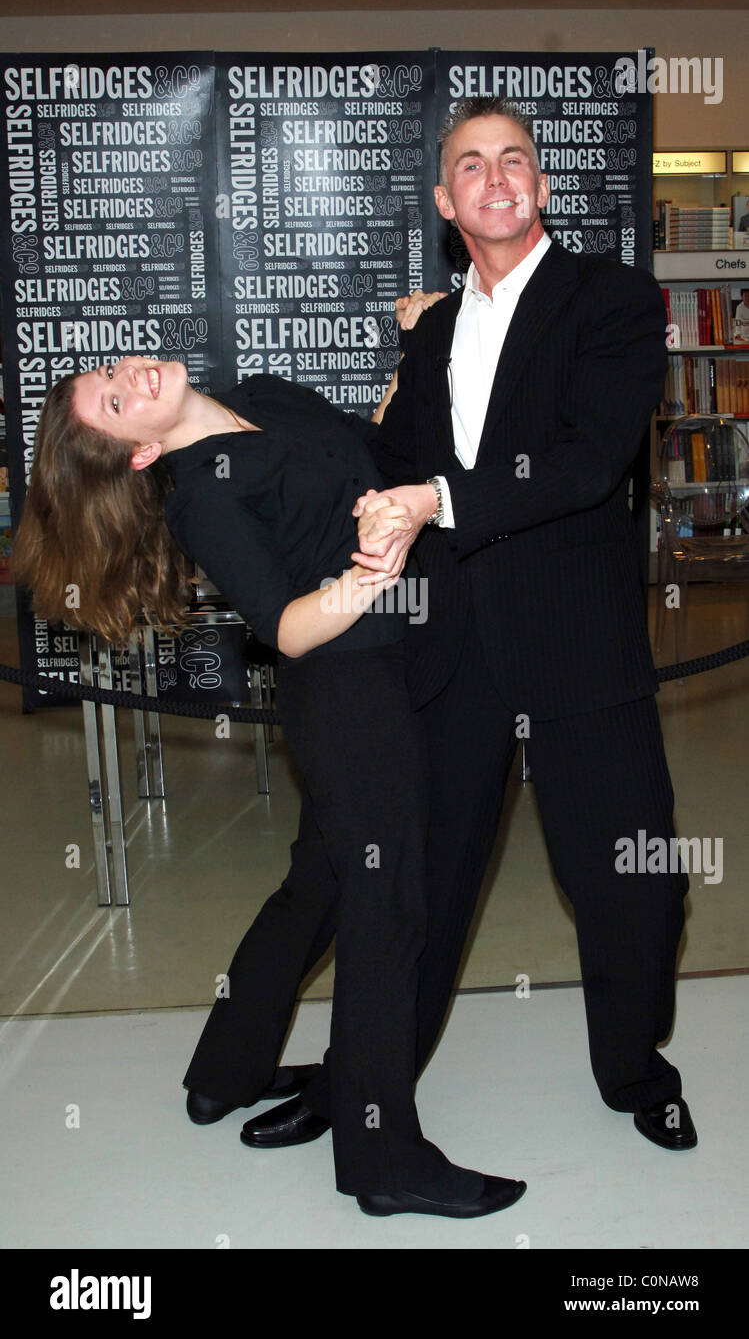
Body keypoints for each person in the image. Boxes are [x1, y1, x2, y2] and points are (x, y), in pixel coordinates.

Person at [255, 96, 696, 1155]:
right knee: (422, 879)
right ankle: (367, 1078)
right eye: (471, 166)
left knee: (626, 873)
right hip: (449, 651)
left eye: (514, 161)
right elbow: (391, 463)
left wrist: (433, 501)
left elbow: (587, 460)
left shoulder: (613, 299)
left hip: (576, 645)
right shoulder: (436, 329)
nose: (495, 177)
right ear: (449, 202)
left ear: (539, 187)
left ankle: (636, 1070)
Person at [12, 354, 528, 1219]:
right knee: (386, 907)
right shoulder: (202, 498)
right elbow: (287, 630)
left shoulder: (261, 396)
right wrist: (370, 574)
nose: (132, 377)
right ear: (137, 455)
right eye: (113, 402)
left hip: (398, 669)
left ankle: (227, 1071)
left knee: (317, 886)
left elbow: (364, 450)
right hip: (346, 696)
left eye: (114, 371)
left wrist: (410, 370)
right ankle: (382, 1160)